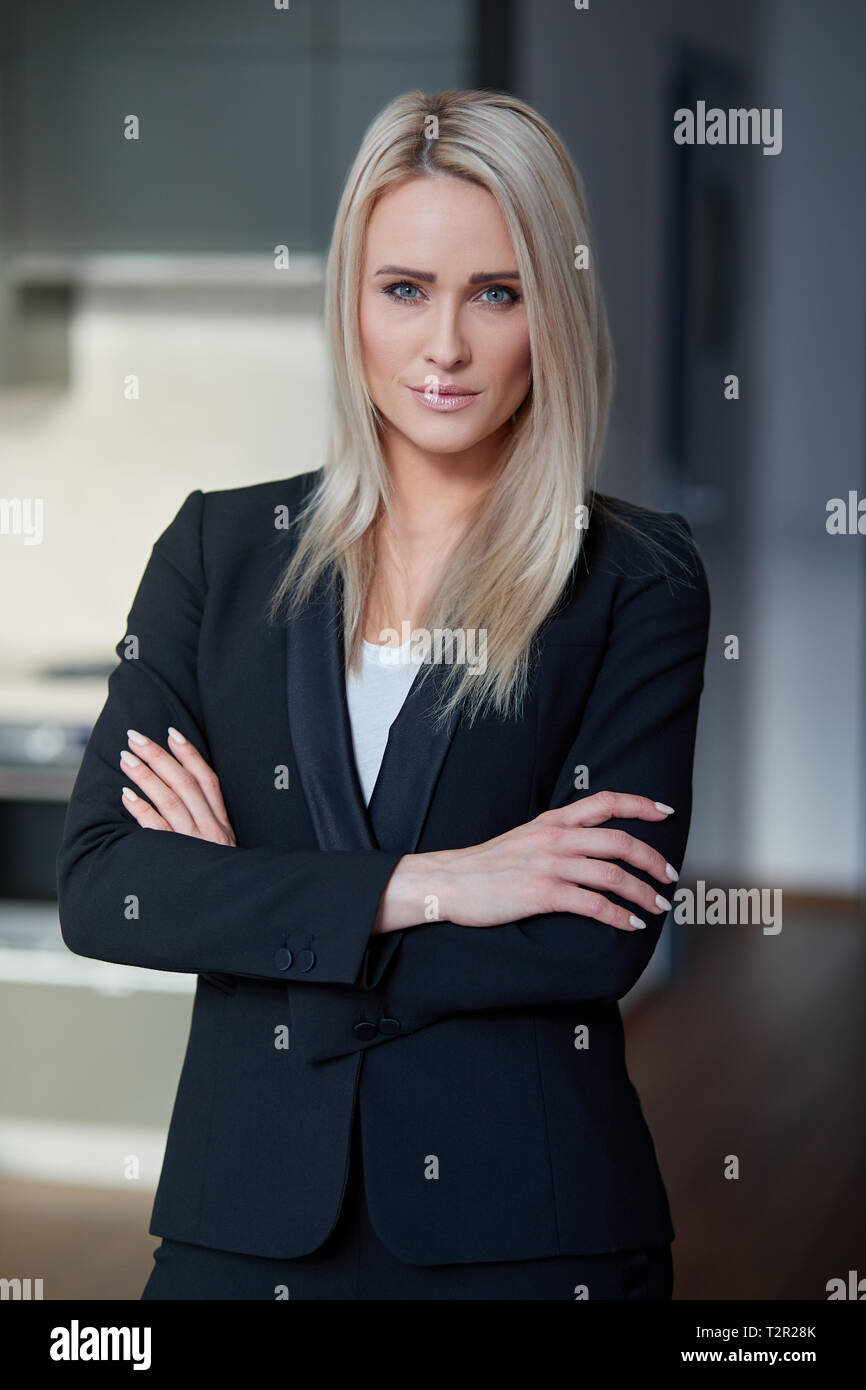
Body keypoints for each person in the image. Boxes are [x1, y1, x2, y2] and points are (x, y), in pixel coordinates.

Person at [56, 89, 710, 1300]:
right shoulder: (218, 551)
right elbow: (105, 889)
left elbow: (586, 938)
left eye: (495, 292)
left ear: (550, 312)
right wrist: (438, 884)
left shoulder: (637, 575)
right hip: (242, 1217)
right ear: (350, 303)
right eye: (404, 288)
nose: (444, 346)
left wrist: (251, 897)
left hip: (525, 1229)